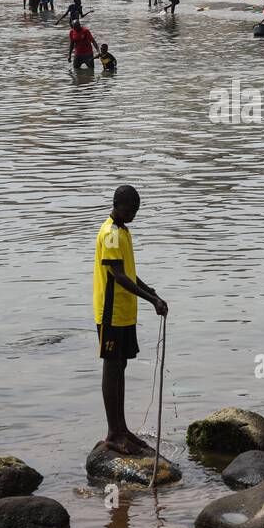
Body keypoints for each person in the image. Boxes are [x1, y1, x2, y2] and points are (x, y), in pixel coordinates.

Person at [93, 184, 168, 456]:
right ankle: (113, 434)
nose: (134, 215)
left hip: (125, 313)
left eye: (136, 211)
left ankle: (122, 428)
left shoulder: (123, 231)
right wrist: (152, 301)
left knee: (121, 365)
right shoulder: (111, 234)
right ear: (118, 206)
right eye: (130, 210)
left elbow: (128, 273)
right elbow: (118, 276)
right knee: (111, 368)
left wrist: (150, 291)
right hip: (110, 312)